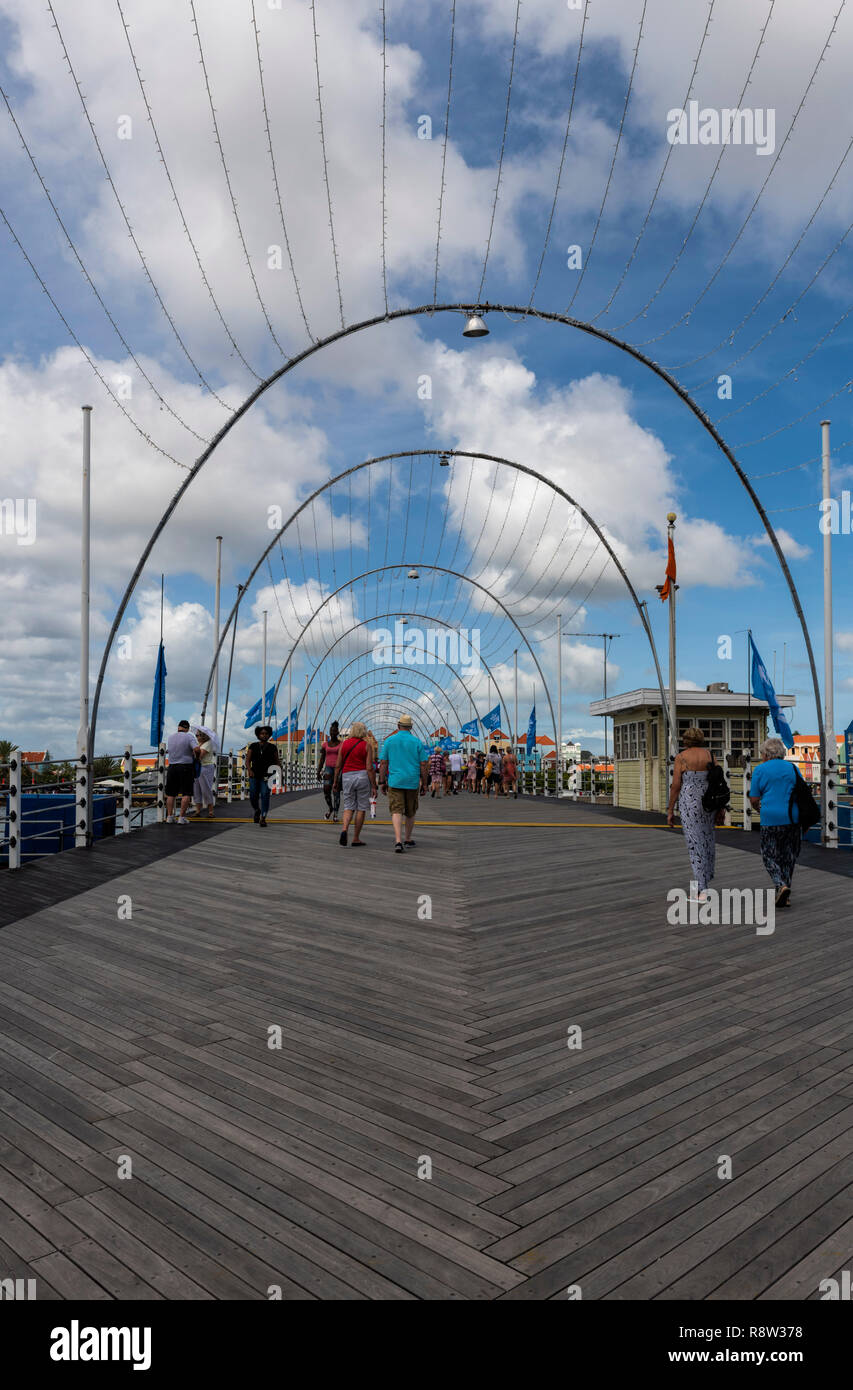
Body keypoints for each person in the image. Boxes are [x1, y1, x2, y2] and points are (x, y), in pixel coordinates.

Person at [666, 726, 721, 900]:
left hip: (690, 804)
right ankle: (706, 878)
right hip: (709, 803)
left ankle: (702, 889)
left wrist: (670, 810)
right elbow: (719, 781)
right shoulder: (710, 756)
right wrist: (721, 807)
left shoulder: (681, 758)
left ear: (686, 740)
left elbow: (676, 785)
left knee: (694, 844)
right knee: (707, 840)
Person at [749, 738, 802, 909]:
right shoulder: (793, 768)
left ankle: (781, 886)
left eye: (762, 753)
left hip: (770, 817)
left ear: (766, 754)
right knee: (788, 856)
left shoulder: (760, 769)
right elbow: (802, 791)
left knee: (769, 855)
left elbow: (754, 798)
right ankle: (785, 894)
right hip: (792, 817)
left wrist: (758, 808)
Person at [379, 715, 429, 852]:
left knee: (396, 811)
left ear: (398, 726)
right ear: (411, 727)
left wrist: (382, 781)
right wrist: (425, 784)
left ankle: (398, 841)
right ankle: (408, 838)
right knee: (410, 812)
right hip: (412, 781)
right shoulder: (417, 742)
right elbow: (424, 764)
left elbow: (383, 763)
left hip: (395, 781)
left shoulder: (389, 741)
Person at [333, 721, 375, 846]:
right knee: (361, 808)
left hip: (347, 776)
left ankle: (344, 829)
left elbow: (338, 765)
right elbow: (369, 768)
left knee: (348, 806)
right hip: (362, 776)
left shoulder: (344, 744)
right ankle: (356, 838)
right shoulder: (366, 746)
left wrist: (335, 781)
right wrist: (374, 785)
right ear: (363, 732)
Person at [246, 725, 280, 827]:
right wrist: (249, 770)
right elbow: (247, 760)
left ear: (269, 735)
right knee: (253, 795)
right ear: (258, 735)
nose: (264, 735)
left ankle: (263, 817)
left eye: (266, 733)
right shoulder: (253, 746)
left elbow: (277, 762)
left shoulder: (273, 747)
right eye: (262, 733)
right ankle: (257, 810)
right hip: (254, 775)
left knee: (265, 795)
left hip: (267, 776)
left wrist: (277, 774)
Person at [165, 719, 196, 824]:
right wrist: (195, 754)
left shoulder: (170, 737)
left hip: (172, 766)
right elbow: (196, 749)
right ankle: (181, 818)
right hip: (185, 766)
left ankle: (169, 817)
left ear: (178, 727)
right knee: (186, 793)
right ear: (187, 728)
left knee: (171, 793)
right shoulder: (189, 736)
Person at [189, 728, 218, 819]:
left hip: (205, 767)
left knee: (206, 789)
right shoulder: (198, 744)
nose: (196, 737)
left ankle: (210, 811)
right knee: (196, 788)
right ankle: (198, 810)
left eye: (197, 735)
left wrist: (193, 752)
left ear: (203, 736)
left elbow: (200, 756)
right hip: (197, 767)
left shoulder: (208, 743)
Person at [318, 720, 342, 821]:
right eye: (331, 731)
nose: (332, 733)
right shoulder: (325, 745)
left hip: (338, 769)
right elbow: (322, 758)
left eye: (334, 731)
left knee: (336, 791)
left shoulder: (342, 744)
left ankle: (336, 813)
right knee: (326, 790)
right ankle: (330, 808)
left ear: (337, 732)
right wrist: (318, 771)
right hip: (328, 768)